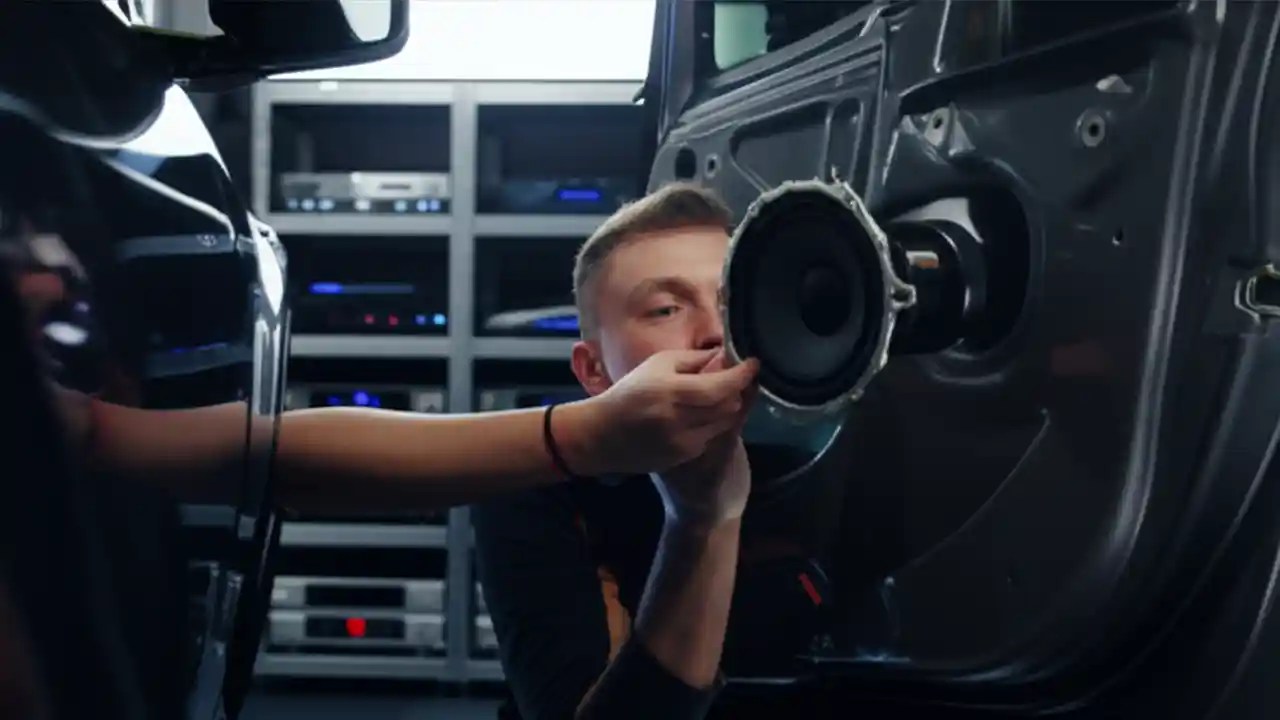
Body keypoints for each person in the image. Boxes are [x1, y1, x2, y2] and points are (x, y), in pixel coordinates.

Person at [474, 182, 840, 720]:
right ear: (593, 371)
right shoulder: (537, 487)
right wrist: (700, 517)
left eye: (729, 299)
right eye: (666, 309)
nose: (715, 332)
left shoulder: (833, 453)